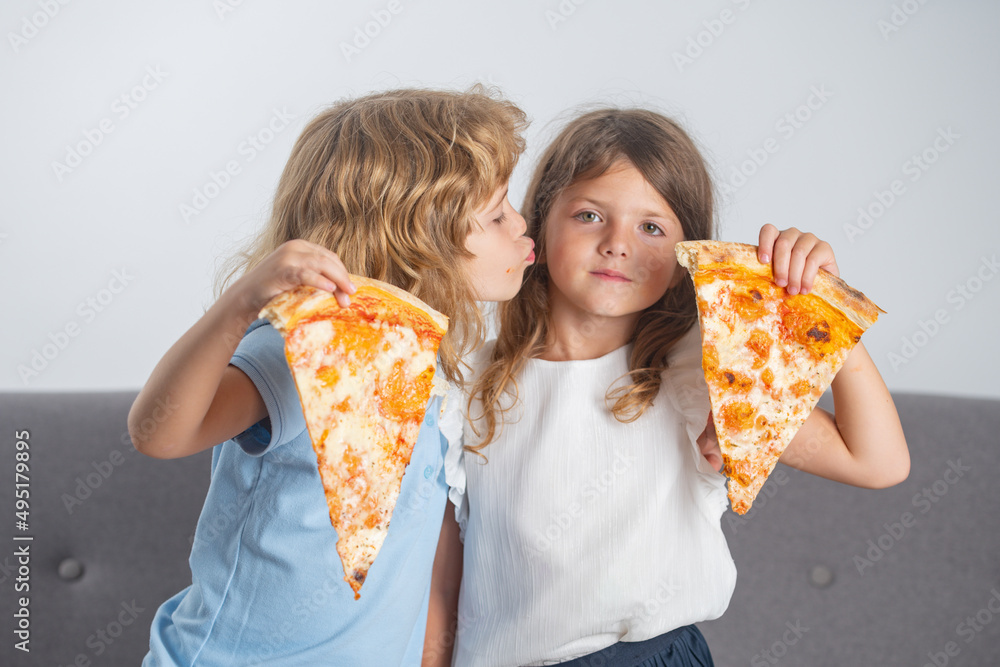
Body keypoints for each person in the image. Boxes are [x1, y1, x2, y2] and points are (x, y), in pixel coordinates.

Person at [435, 108, 910, 667]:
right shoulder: (469, 375)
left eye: (651, 227)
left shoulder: (700, 371)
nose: (617, 243)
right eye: (590, 215)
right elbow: (443, 572)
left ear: (686, 256)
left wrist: (823, 307)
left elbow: (876, 462)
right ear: (540, 224)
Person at [128, 87, 534, 666]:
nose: (521, 224)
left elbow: (426, 559)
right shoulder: (302, 353)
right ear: (419, 241)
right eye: (496, 215)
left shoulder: (431, 377)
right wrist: (242, 303)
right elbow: (159, 434)